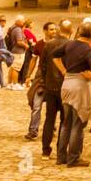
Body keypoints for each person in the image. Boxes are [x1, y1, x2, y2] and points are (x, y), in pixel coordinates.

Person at [54, 22, 91, 168]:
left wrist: (63, 70)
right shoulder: (88, 50)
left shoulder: (69, 44)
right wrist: (89, 76)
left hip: (67, 84)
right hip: (80, 87)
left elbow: (54, 55)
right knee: (78, 124)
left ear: (80, 32)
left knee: (66, 123)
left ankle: (61, 157)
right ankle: (73, 158)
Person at [40, 19, 70, 158]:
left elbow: (43, 66)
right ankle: (60, 149)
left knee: (49, 119)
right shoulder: (70, 46)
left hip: (50, 86)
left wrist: (46, 82)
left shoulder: (49, 45)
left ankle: (46, 150)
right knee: (65, 120)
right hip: (65, 87)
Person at [24, 22, 57, 139]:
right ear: (45, 30)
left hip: (55, 78)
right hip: (41, 78)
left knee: (52, 106)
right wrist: (28, 76)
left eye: (55, 29)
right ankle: (33, 130)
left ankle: (51, 126)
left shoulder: (58, 44)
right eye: (51, 29)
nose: (54, 31)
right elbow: (33, 61)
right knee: (36, 105)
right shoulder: (39, 45)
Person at [5, 15, 28, 85]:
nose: (24, 22)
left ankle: (10, 83)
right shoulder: (18, 29)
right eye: (23, 21)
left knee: (12, 67)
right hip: (19, 51)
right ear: (18, 21)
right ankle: (15, 84)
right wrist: (26, 45)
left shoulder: (13, 28)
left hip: (14, 50)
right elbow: (19, 42)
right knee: (16, 68)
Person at [18, 18, 38, 85]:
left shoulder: (28, 31)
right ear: (29, 24)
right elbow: (30, 40)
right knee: (27, 64)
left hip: (30, 49)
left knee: (26, 64)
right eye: (32, 23)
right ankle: (23, 79)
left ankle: (22, 79)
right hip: (29, 49)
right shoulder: (27, 31)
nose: (33, 25)